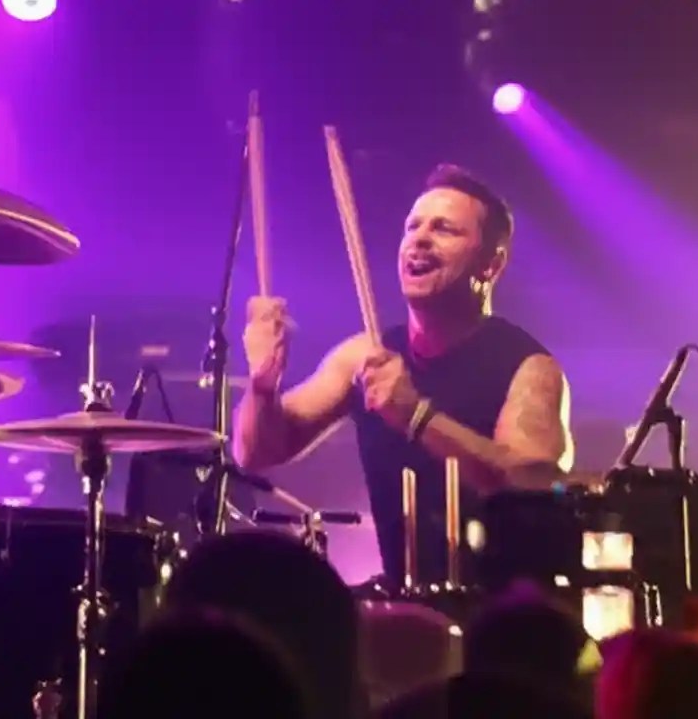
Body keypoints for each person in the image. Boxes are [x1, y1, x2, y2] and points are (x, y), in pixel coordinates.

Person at [233, 163, 573, 585]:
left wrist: (417, 416)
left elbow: (535, 484)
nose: (420, 239)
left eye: (444, 229)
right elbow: (256, 453)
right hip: (405, 599)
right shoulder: (365, 355)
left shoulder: (528, 366)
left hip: (501, 610)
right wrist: (262, 385)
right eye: (413, 226)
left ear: (491, 265)